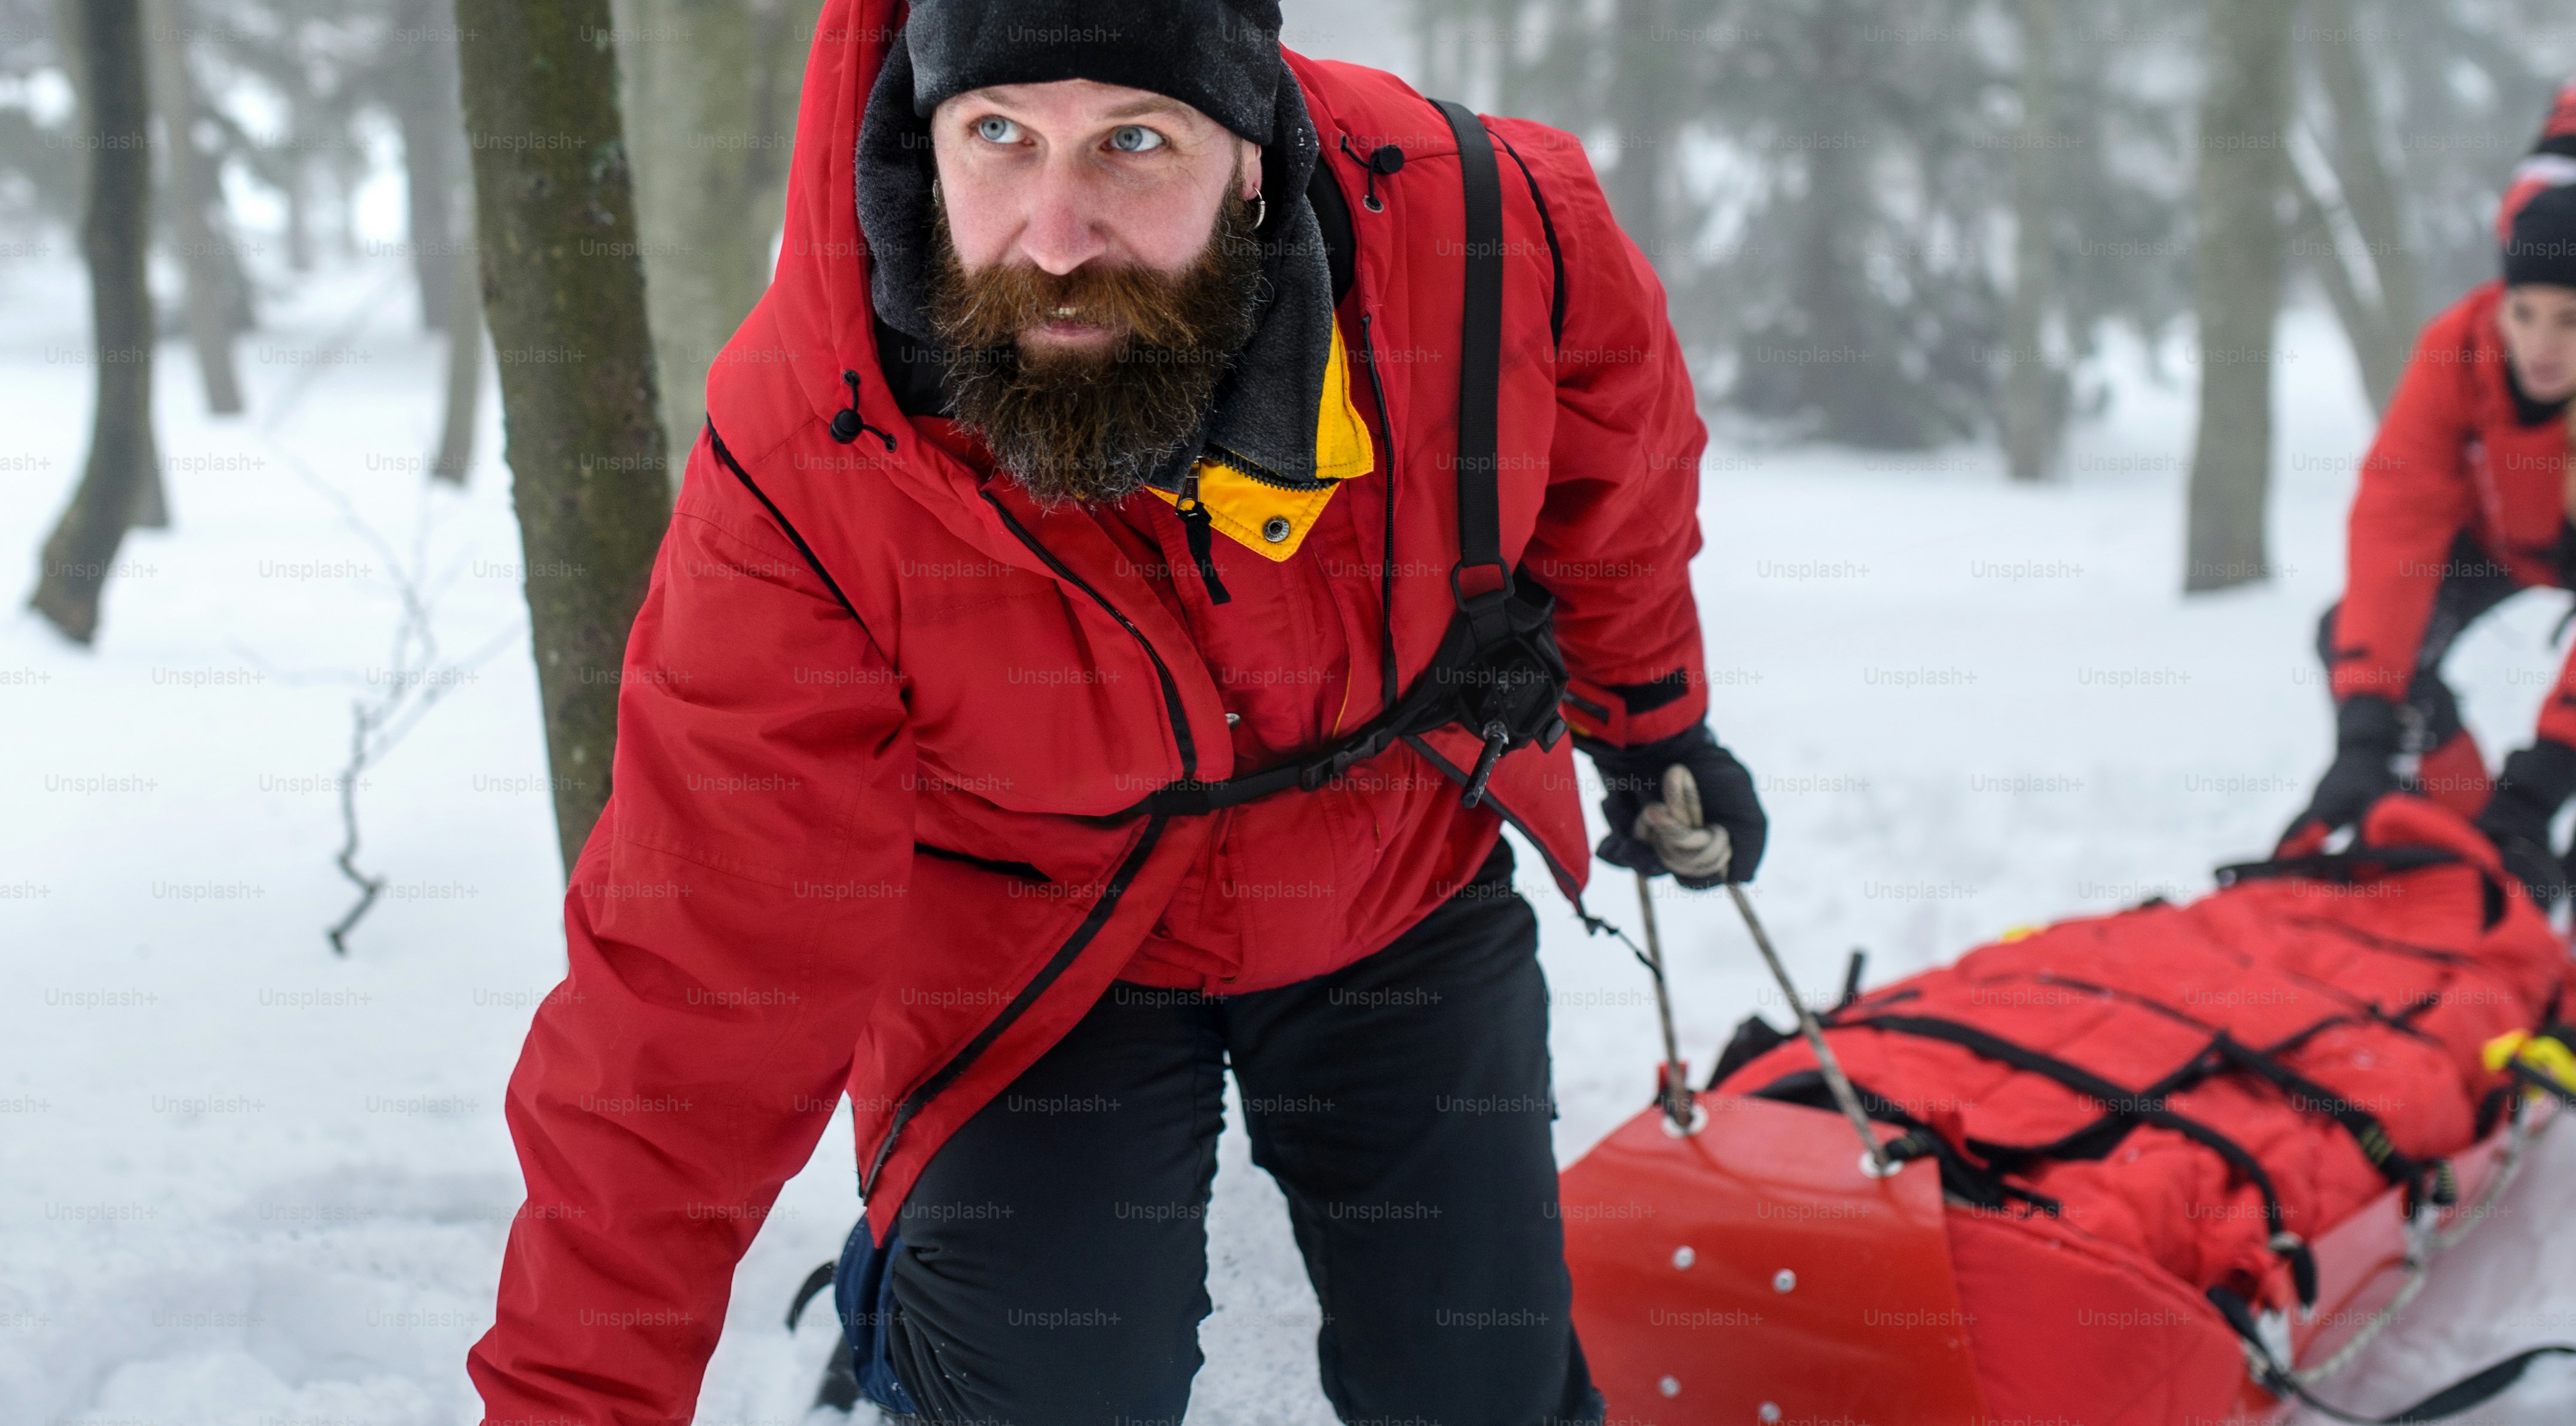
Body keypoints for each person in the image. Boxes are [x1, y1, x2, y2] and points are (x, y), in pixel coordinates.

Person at [466, 2, 1758, 1422]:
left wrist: (1654, 723)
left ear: (1252, 153)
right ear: (924, 135)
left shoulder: (1495, 231)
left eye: (1134, 141)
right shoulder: (813, 447)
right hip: (1031, 934)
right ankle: (913, 1308)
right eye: (999, 135)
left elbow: (1616, 498)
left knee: (1481, 1380)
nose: (1057, 234)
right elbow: (691, 978)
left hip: (1389, 869)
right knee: (1057, 1381)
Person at [2294, 183, 2576, 967]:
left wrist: (2547, 774)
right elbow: (2399, 518)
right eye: (2525, 312)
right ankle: (2463, 828)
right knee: (2358, 639)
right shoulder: (2459, 348)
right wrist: (2365, 727)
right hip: (2513, 537)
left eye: (2574, 320)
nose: (2541, 344)